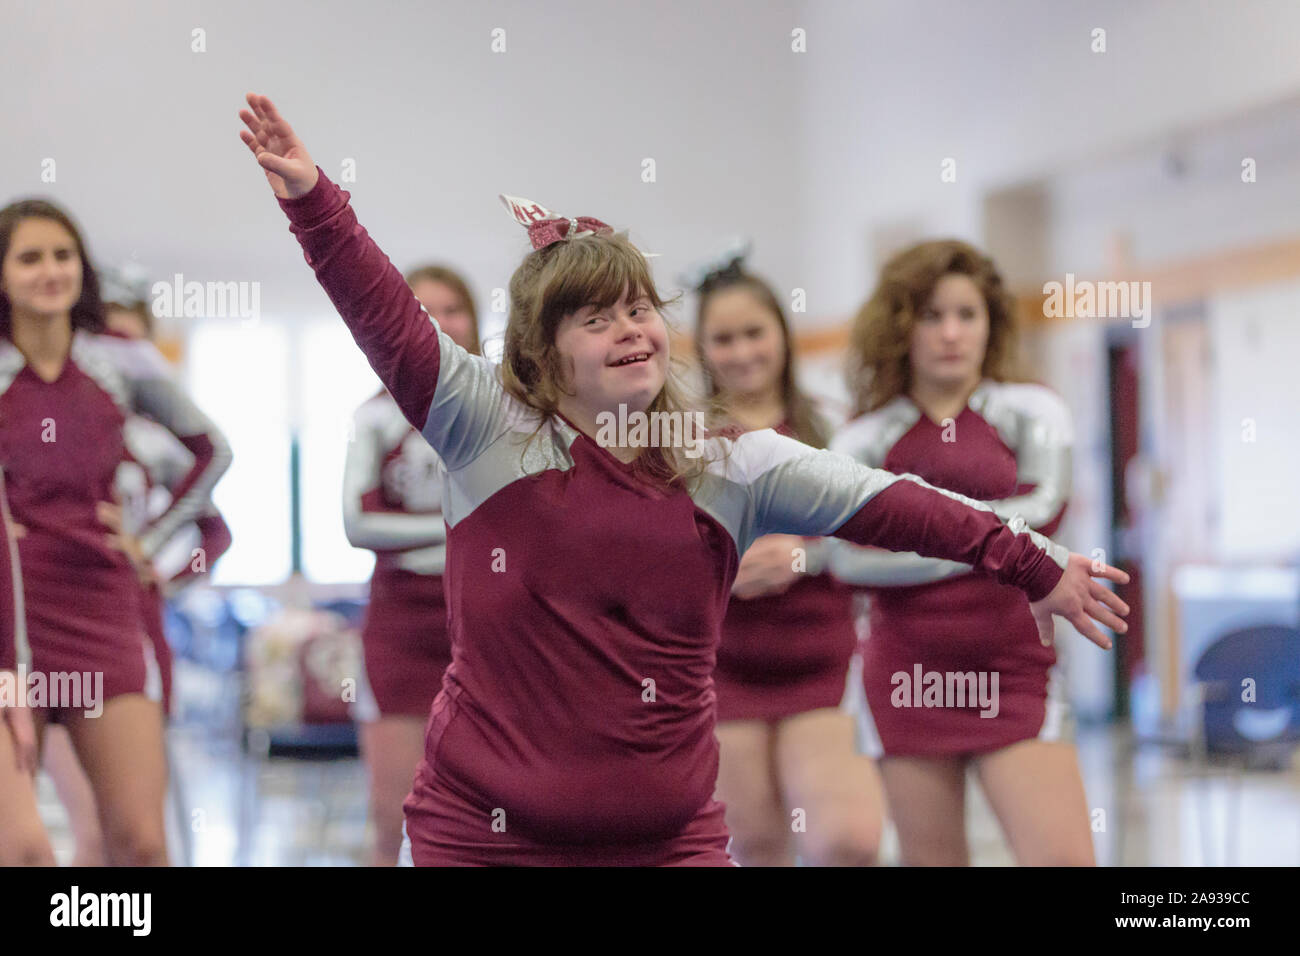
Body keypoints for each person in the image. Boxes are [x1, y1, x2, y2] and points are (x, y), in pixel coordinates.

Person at [238, 92, 1127, 865]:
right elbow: (381, 310)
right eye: (594, 318)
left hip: (670, 841)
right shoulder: (483, 426)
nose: (630, 330)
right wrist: (315, 201)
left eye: (638, 309)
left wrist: (1036, 565)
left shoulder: (729, 458)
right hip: (485, 834)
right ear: (545, 352)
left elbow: (897, 506)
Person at [829, 239, 1097, 865]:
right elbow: (847, 561)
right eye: (931, 316)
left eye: (966, 315)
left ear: (991, 323)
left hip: (1017, 670)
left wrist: (919, 533)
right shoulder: (864, 436)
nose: (951, 333)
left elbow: (1045, 516)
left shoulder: (1035, 410)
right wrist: (992, 548)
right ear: (901, 328)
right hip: (907, 679)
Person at [0, 200, 231, 865]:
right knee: (23, 851)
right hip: (9, 618)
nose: (51, 270)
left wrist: (151, 539)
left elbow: (213, 450)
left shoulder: (120, 358)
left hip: (102, 612)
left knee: (141, 843)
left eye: (63, 255)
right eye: (30, 257)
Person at [693, 256, 881, 865]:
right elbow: (649, 555)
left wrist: (805, 558)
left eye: (755, 333)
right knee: (753, 845)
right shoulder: (680, 440)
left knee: (847, 841)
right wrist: (723, 572)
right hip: (724, 672)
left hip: (821, 668)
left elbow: (882, 531)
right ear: (701, 347)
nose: (742, 351)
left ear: (782, 335)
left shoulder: (832, 427)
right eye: (724, 338)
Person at [343, 264, 479, 866]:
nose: (438, 323)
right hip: (400, 630)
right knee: (393, 822)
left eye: (452, 309)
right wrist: (464, 529)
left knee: (490, 819)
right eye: (421, 310)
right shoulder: (372, 416)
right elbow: (356, 524)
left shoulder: (501, 413)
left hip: (485, 628)